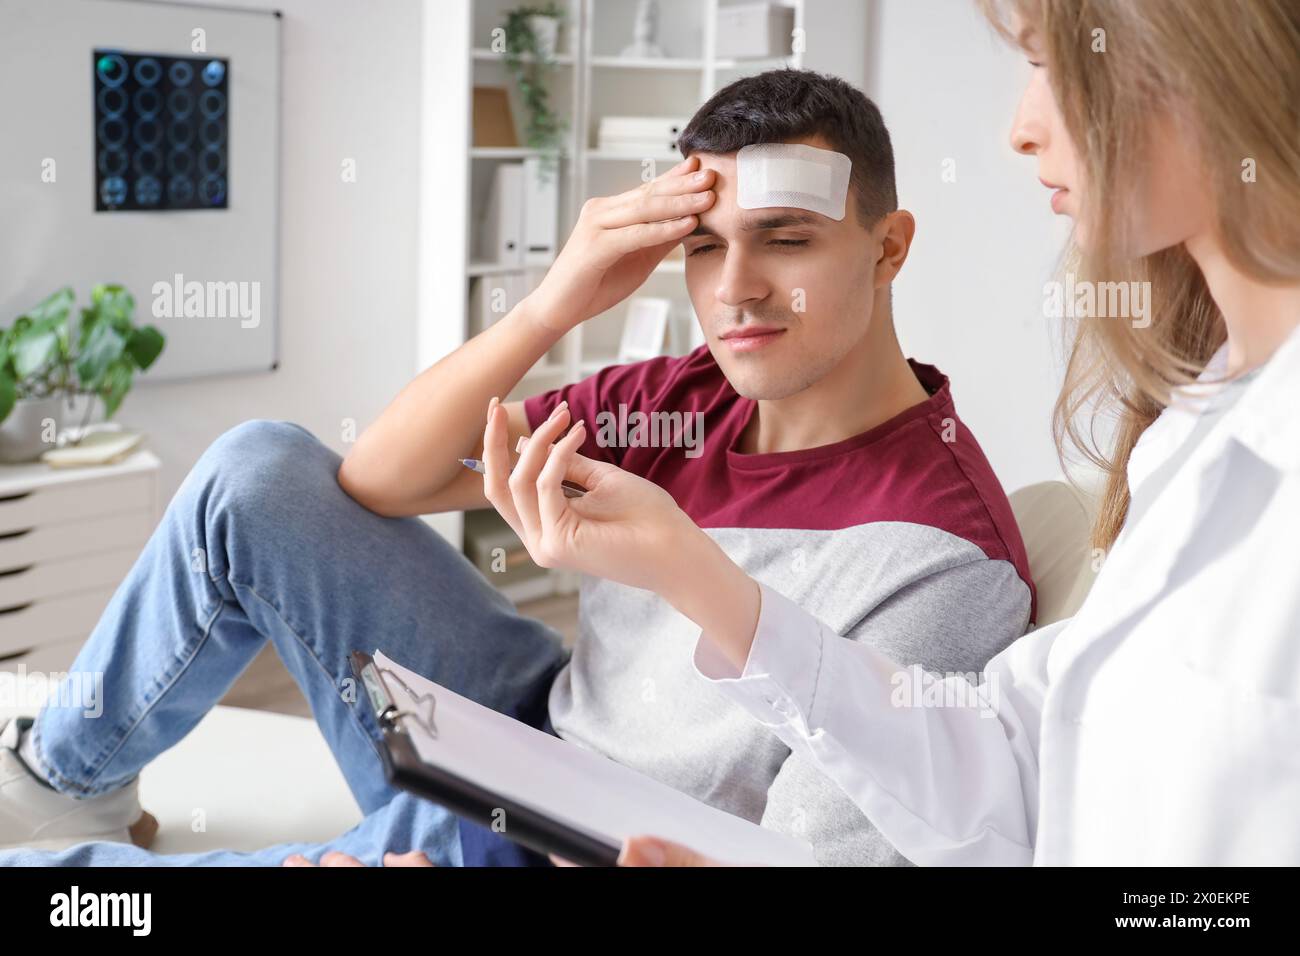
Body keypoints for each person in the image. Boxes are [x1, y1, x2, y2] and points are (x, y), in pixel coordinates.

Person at [0, 70, 1033, 866]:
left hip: (573, 843)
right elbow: (378, 478)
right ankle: (61, 779)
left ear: (888, 246)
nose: (736, 291)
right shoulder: (677, 400)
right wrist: (552, 304)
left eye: (785, 239)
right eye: (704, 247)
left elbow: (791, 858)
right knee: (257, 467)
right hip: (535, 731)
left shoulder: (938, 557)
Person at [484, 0, 1300, 866]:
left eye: (1046, 63)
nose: (1019, 132)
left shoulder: (944, 549)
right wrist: (691, 574)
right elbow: (1003, 781)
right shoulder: (1193, 435)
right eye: (704, 248)